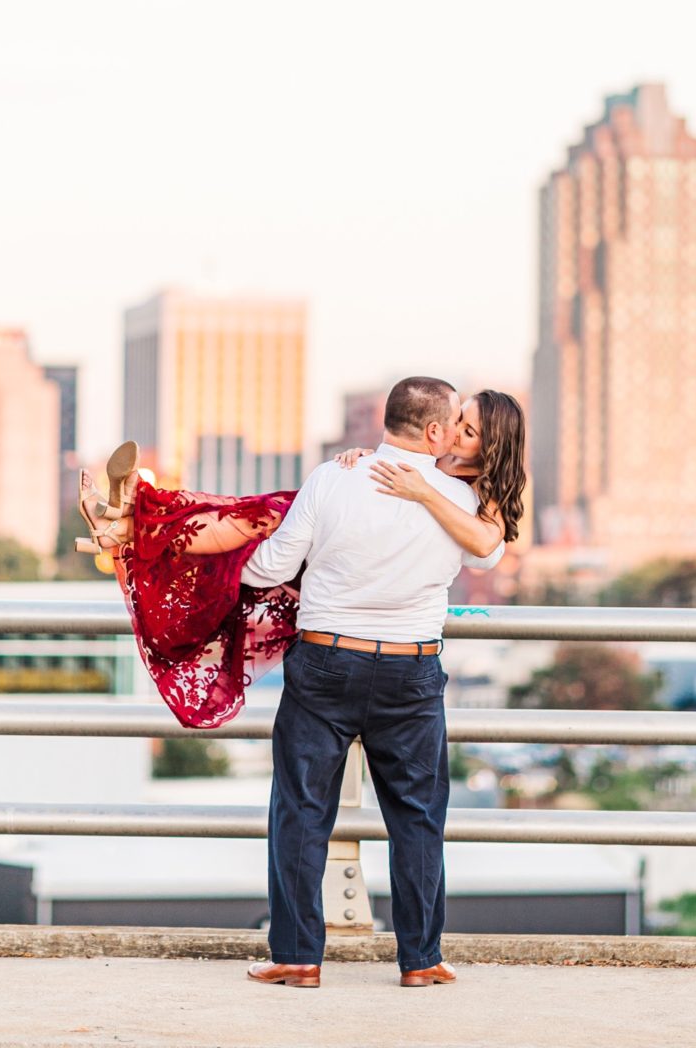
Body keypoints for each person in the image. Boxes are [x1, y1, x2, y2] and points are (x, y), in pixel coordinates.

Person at [76, 376, 526, 985]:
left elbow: (272, 567)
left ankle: (296, 956)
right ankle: (421, 961)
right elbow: (486, 555)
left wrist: (247, 564)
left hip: (326, 665)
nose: (458, 433)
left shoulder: (336, 476)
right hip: (409, 671)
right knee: (417, 819)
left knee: (301, 812)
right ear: (435, 430)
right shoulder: (471, 503)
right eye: (458, 422)